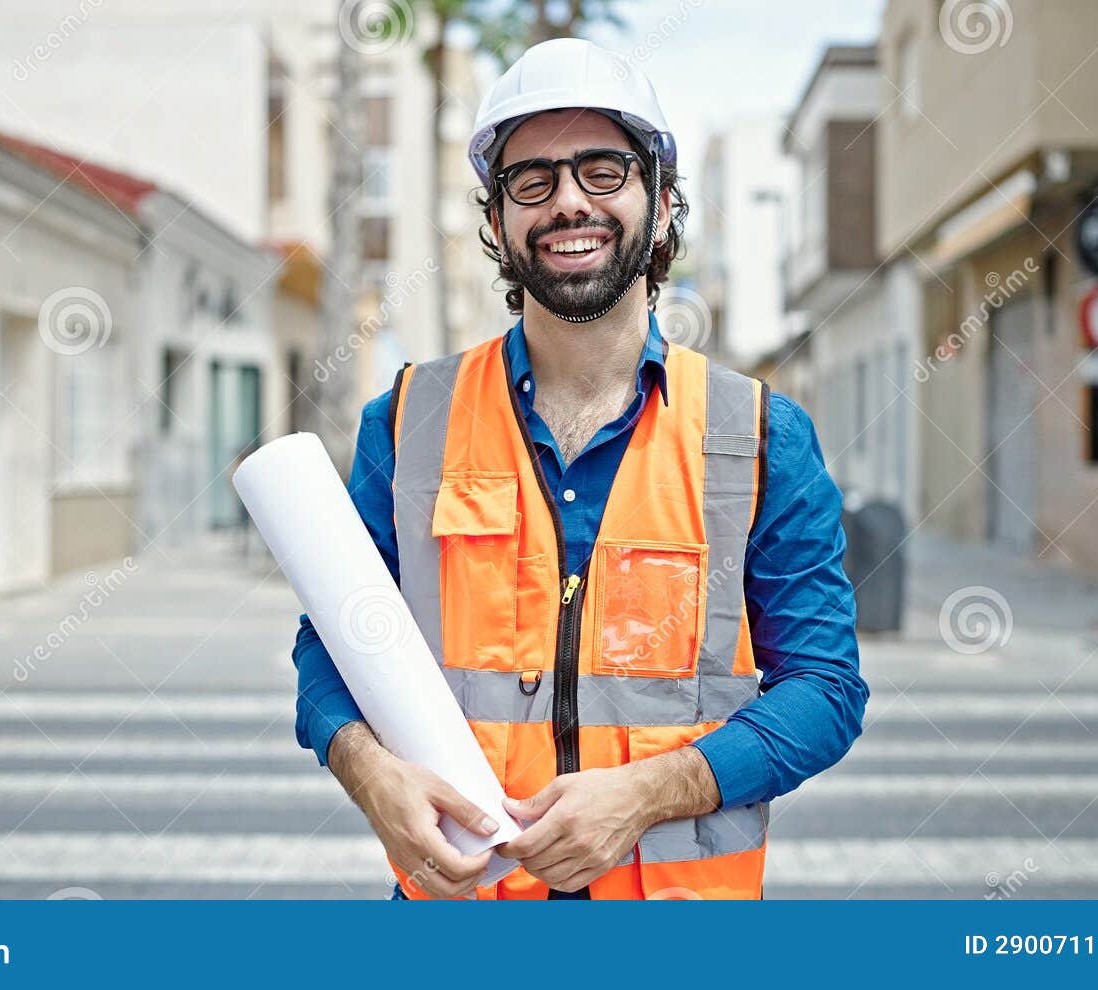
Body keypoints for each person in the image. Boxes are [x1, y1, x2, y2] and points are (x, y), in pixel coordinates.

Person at [292, 37, 867, 900]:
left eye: (604, 171)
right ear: (496, 221)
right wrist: (369, 772)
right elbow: (331, 645)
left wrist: (645, 795)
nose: (568, 202)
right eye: (533, 180)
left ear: (662, 202)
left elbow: (824, 689)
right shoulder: (407, 425)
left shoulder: (759, 437)